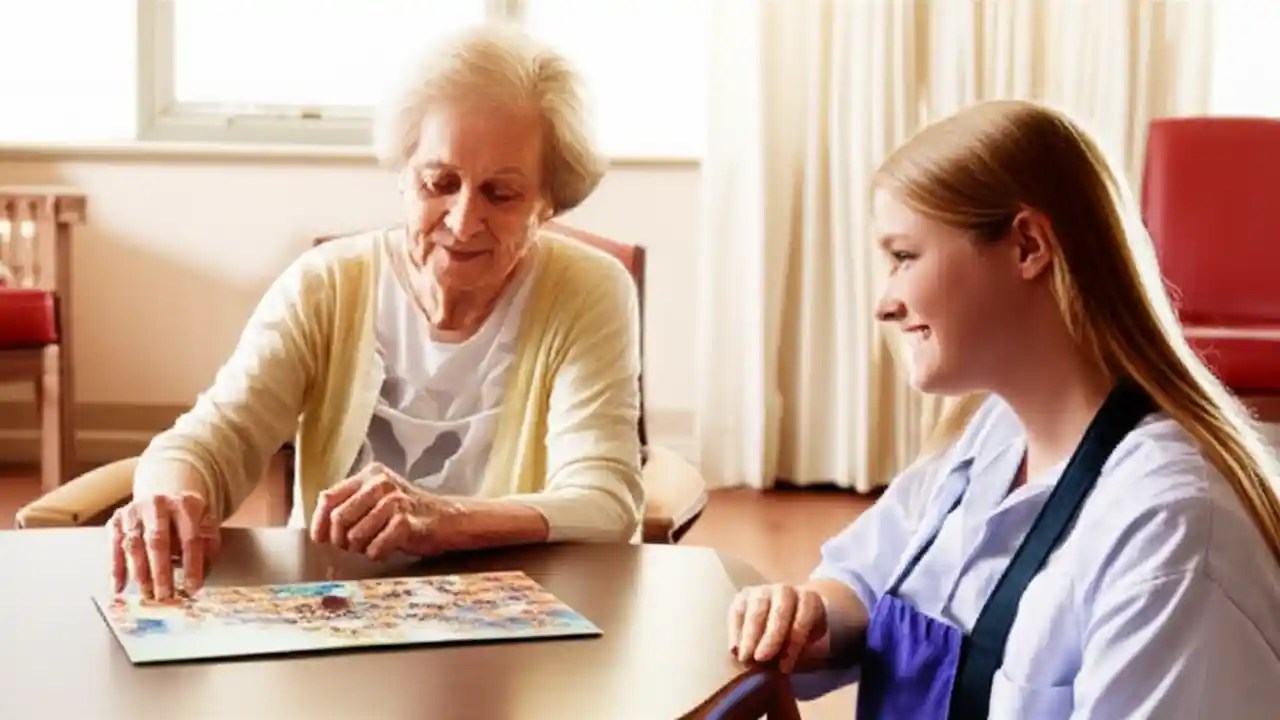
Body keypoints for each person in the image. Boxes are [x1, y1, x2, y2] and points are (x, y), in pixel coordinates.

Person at [728, 100, 1280, 718]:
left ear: (1026, 246)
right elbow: (866, 574)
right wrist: (802, 616)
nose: (884, 303)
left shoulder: (1171, 530)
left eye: (904, 257)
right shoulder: (994, 430)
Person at [108, 23, 644, 602]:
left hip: (520, 616)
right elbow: (213, 439)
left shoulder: (590, 290)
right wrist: (167, 496)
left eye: (501, 193)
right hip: (330, 614)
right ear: (402, 175)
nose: (463, 220)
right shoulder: (327, 285)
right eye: (440, 182)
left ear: (547, 203)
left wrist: (443, 521)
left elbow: (605, 499)